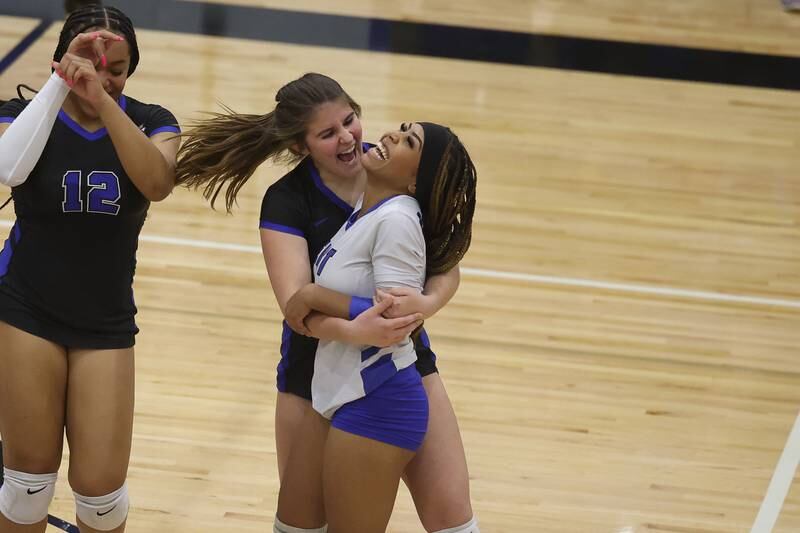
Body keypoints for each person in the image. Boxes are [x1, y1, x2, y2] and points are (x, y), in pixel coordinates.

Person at [175, 73, 479, 532]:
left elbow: (444, 260)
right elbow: (297, 310)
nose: (349, 138)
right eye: (328, 133)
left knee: (451, 518)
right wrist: (349, 320)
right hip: (311, 373)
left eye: (350, 120)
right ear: (301, 147)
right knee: (300, 526)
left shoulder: (393, 176)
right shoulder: (288, 201)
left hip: (389, 367)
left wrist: (426, 303)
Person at [0, 6, 180, 533]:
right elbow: (9, 168)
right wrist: (61, 84)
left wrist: (102, 99)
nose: (102, 76)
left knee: (102, 499)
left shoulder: (153, 121)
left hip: (104, 319)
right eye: (89, 62)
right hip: (25, 305)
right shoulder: (22, 111)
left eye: (116, 69)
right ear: (61, 58)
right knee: (28, 488)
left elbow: (157, 182)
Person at [277, 120, 477, 532]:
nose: (390, 136)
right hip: (342, 386)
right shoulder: (369, 210)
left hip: (378, 394)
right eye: (401, 129)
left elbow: (394, 317)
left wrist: (314, 297)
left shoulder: (398, 220)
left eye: (409, 142)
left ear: (416, 180)